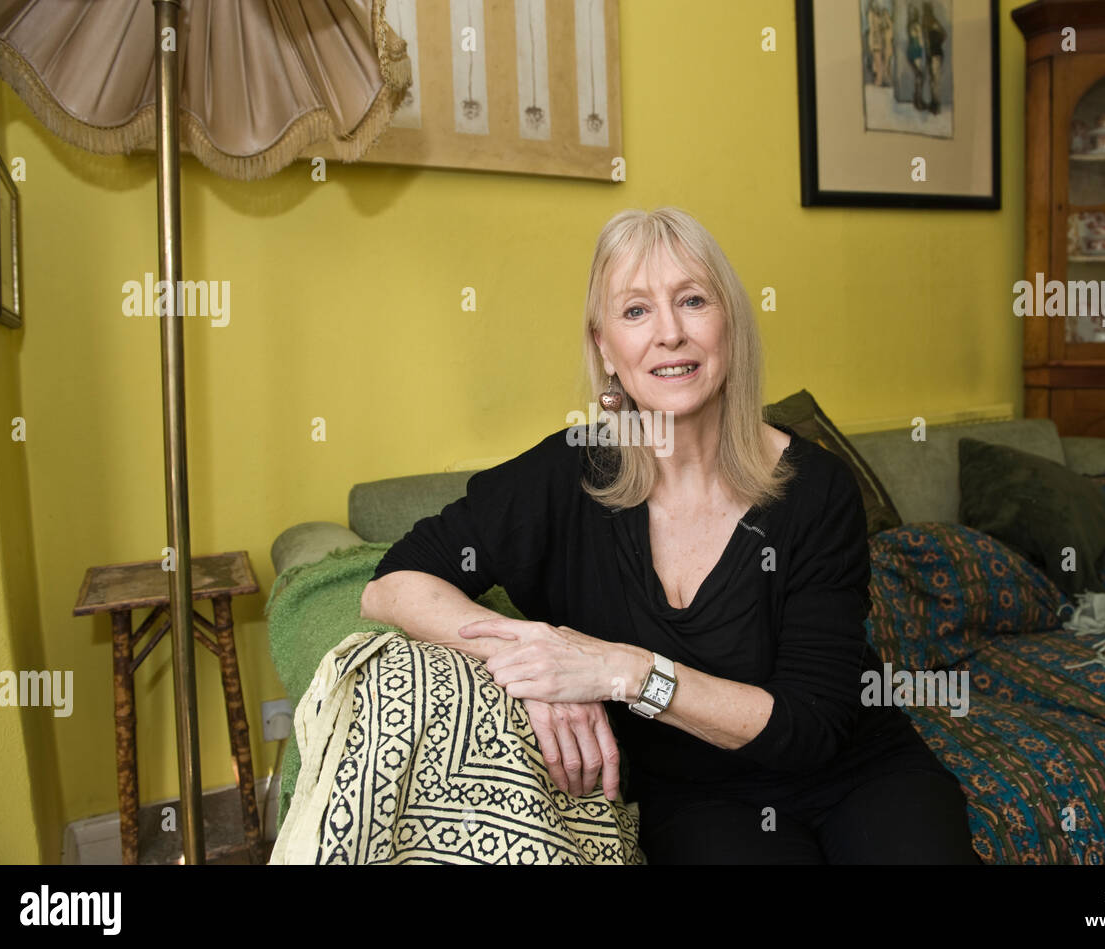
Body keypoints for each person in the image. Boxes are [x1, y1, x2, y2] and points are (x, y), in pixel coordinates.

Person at [361, 207, 979, 865]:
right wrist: (530, 652)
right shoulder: (563, 474)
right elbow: (394, 583)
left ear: (730, 326)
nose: (670, 333)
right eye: (636, 312)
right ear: (604, 347)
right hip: (700, 796)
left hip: (858, 768)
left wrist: (627, 671)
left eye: (691, 300)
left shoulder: (816, 488)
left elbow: (811, 727)